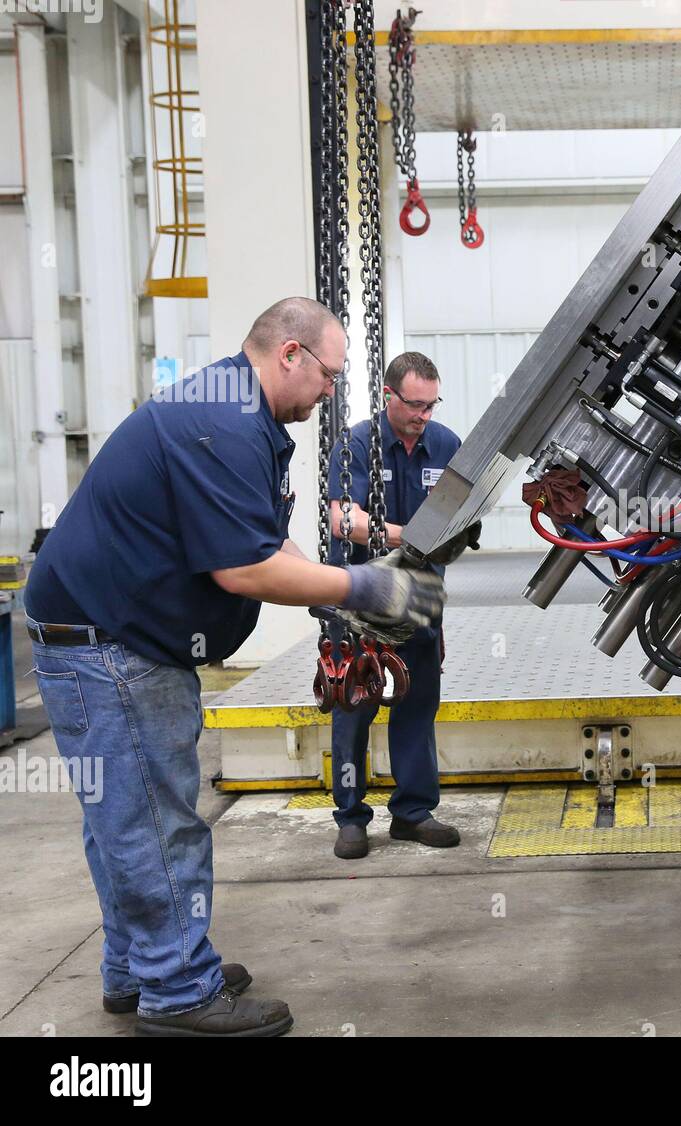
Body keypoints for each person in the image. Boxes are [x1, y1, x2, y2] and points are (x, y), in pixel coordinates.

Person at [23, 298, 444, 1037]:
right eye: (328, 376)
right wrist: (367, 585)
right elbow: (243, 569)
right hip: (109, 643)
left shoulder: (243, 415)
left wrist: (336, 599)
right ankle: (178, 991)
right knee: (156, 819)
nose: (329, 393)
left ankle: (139, 966)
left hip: (116, 634)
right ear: (289, 354)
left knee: (125, 816)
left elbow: (267, 545)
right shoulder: (220, 423)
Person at [328, 351, 473, 860]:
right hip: (361, 595)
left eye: (432, 405)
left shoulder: (446, 444)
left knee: (417, 703)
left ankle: (412, 813)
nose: (423, 415)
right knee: (355, 706)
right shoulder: (356, 443)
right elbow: (342, 520)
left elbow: (455, 523)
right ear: (389, 395)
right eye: (415, 404)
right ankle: (350, 817)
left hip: (421, 599)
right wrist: (409, 537)